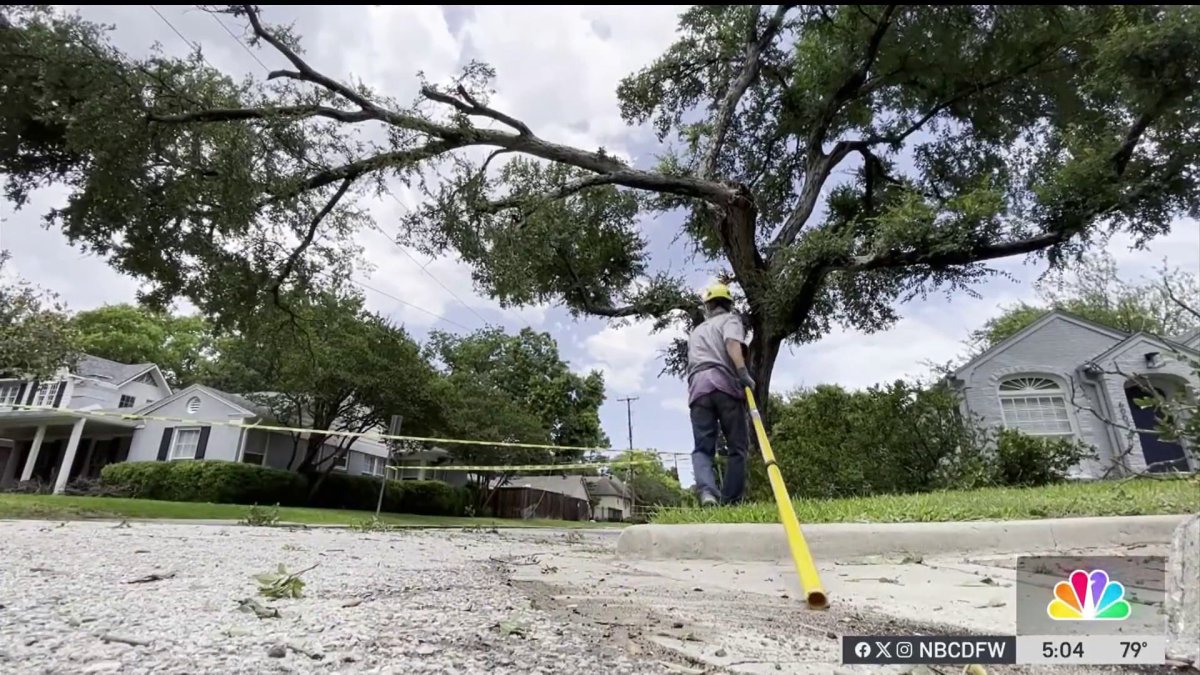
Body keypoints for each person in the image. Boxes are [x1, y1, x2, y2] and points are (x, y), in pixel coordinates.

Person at [686, 282, 754, 507]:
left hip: (697, 390)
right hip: (723, 385)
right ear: (728, 304)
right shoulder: (730, 320)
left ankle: (707, 493)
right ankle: (731, 501)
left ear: (708, 306)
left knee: (702, 448)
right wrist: (743, 372)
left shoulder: (696, 331)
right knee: (737, 447)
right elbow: (732, 342)